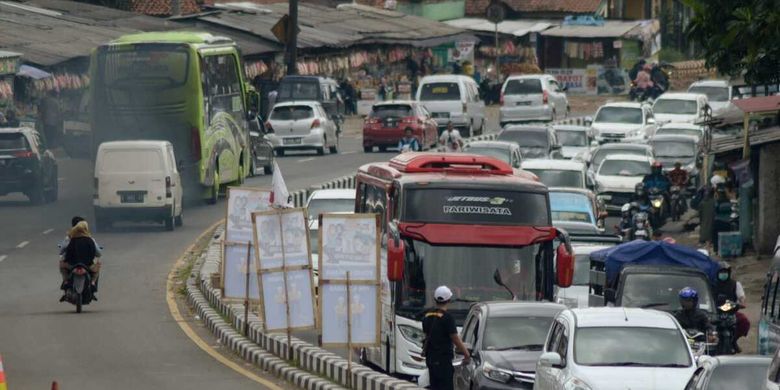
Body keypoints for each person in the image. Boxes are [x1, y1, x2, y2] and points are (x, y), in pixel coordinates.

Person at [422, 286, 470, 390]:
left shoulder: (427, 316)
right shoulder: (448, 318)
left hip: (430, 359)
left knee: (434, 386)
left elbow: (426, 334)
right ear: (449, 300)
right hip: (443, 361)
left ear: (435, 299)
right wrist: (466, 354)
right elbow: (455, 338)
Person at [712, 261, 750, 352]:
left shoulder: (735, 284)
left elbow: (741, 298)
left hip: (731, 312)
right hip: (715, 312)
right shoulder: (712, 284)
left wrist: (741, 303)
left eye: (725, 272)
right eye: (721, 272)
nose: (723, 274)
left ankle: (734, 340)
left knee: (744, 321)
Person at [60, 221, 101, 302]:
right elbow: (95, 253)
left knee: (62, 266)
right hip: (87, 265)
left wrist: (67, 261)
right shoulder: (90, 240)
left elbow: (68, 254)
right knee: (97, 268)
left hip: (73, 265)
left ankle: (66, 281)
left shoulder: (73, 240)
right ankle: (93, 282)